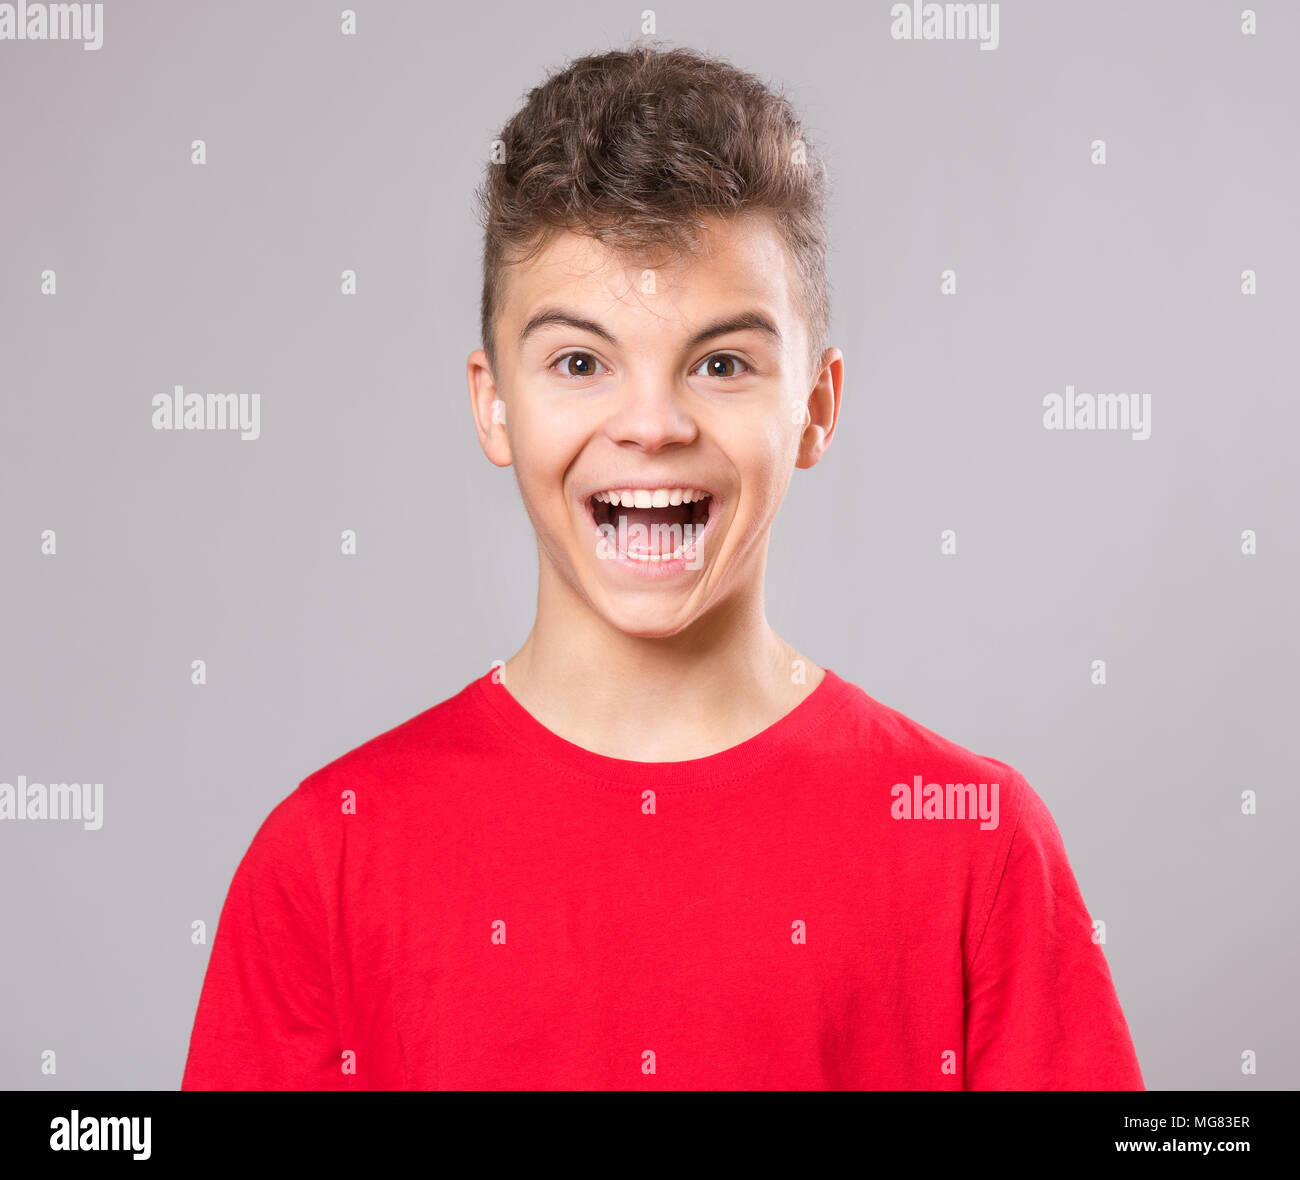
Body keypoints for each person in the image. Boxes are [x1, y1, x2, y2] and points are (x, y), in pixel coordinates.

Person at [182, 42, 1143, 1090]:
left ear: (815, 406)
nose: (650, 425)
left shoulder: (976, 845)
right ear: (491, 401)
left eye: (721, 362)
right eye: (580, 363)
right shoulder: (325, 863)